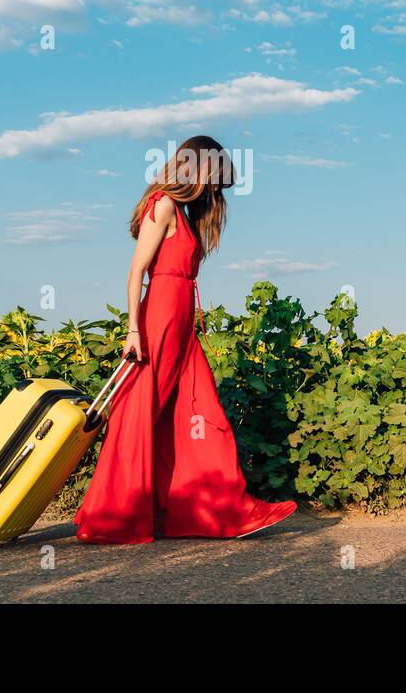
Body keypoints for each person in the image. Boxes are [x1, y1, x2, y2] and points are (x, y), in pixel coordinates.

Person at [74, 135, 297, 544]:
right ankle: (114, 514)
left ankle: (217, 511)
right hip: (158, 318)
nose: (216, 189)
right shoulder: (162, 204)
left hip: (182, 324)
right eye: (214, 178)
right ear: (197, 167)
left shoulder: (187, 214)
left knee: (198, 413)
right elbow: (135, 272)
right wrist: (133, 331)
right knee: (140, 413)